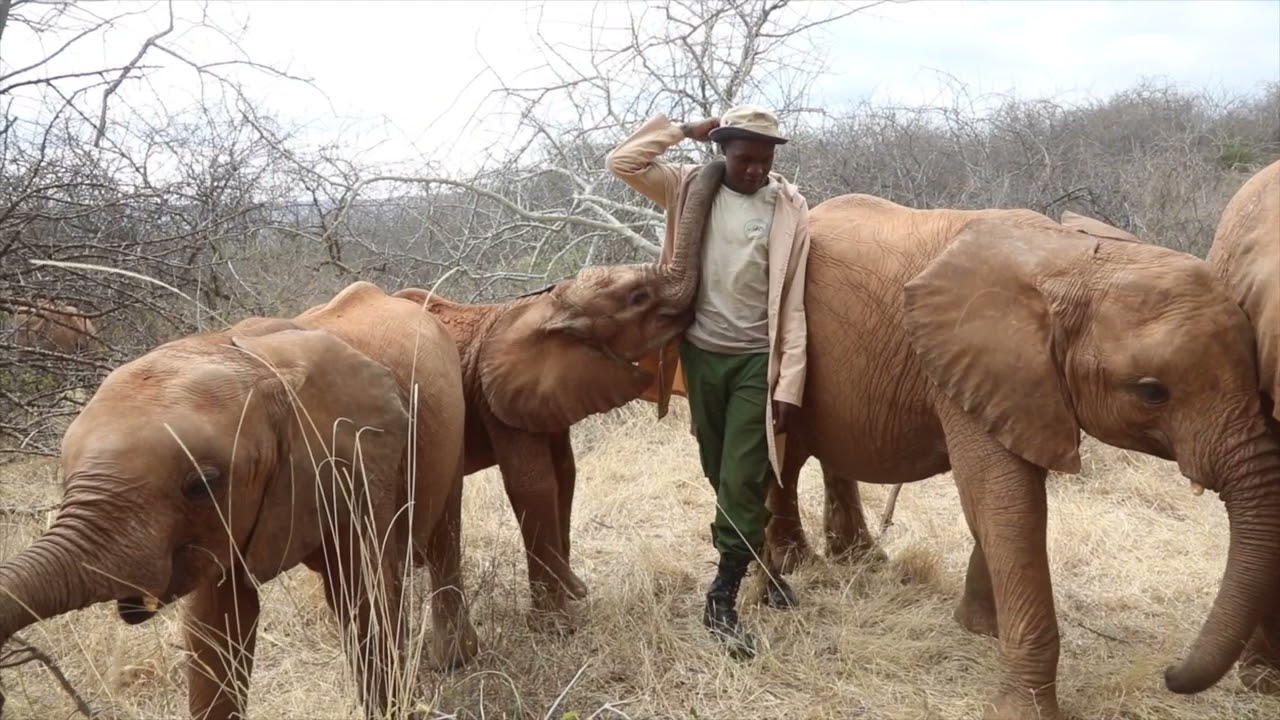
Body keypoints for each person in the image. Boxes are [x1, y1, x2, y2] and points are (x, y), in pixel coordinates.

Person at [605, 105, 811, 658]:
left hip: (755, 361)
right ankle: (763, 564)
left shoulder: (788, 208)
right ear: (723, 150)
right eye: (744, 158)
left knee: (742, 474)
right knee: (719, 471)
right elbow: (622, 162)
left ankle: (722, 595)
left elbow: (793, 302)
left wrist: (790, 382)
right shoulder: (687, 187)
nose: (755, 169)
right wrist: (682, 131)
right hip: (700, 355)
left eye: (764, 159)